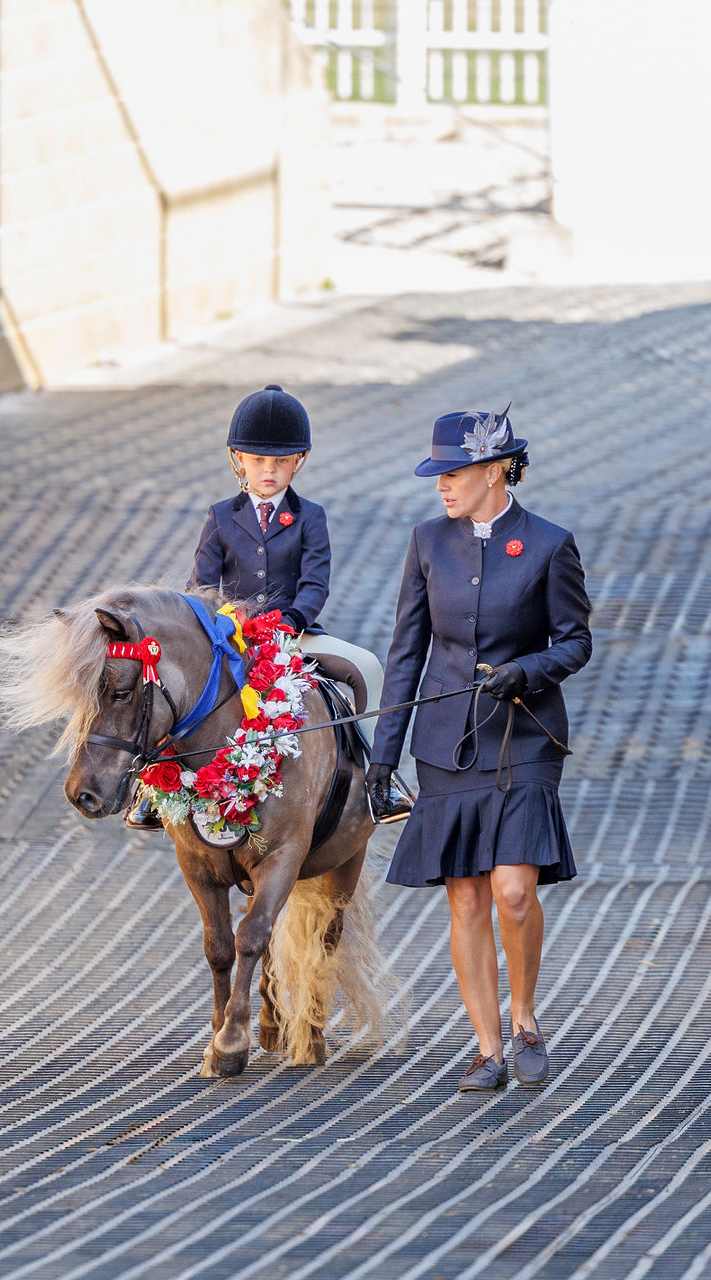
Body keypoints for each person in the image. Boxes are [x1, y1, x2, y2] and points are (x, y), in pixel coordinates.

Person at [366, 408, 591, 1091]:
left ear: (494, 471)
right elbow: (406, 654)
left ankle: (525, 1020)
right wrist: (383, 757)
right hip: (446, 744)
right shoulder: (427, 542)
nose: (441, 486)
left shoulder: (550, 544)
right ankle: (488, 1049)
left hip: (524, 734)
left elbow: (575, 642)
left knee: (514, 892)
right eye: (437, 476)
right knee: (466, 900)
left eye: (453, 474)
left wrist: (527, 670)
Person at [127, 384, 413, 828]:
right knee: (170, 681)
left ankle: (380, 781)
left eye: (280, 461)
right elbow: (201, 584)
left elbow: (315, 583)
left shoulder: (310, 517)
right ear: (238, 459)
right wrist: (222, 620)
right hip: (231, 637)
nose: (269, 471)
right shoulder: (221, 516)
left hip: (295, 635)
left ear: (298, 461)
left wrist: (291, 620)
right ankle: (150, 787)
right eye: (259, 460)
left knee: (369, 667)